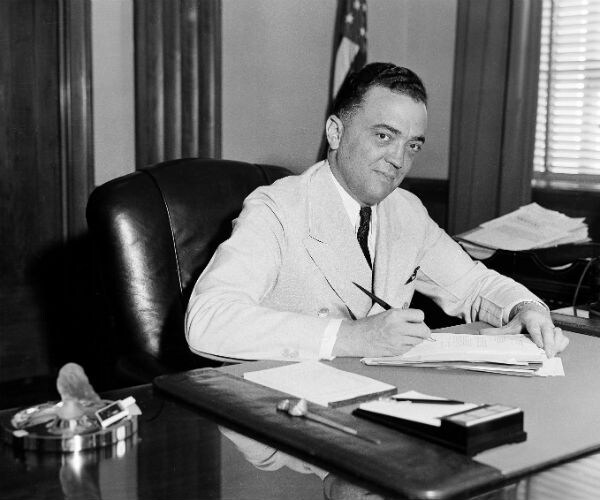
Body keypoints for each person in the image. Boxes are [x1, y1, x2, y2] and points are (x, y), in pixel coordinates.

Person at [185, 62, 569, 362]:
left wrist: (526, 308)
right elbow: (207, 320)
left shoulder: (406, 211)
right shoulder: (277, 209)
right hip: (281, 409)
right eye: (384, 136)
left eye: (412, 145)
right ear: (335, 133)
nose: (398, 160)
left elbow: (473, 285)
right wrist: (350, 336)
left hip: (377, 399)